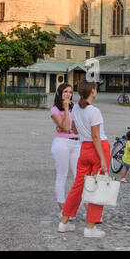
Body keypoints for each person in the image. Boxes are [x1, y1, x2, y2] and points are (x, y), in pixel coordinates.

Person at [60, 79, 111, 238]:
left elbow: (74, 129)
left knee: (78, 185)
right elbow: (96, 136)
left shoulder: (76, 110)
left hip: (84, 149)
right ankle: (90, 227)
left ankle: (64, 222)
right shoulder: (94, 111)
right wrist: (102, 158)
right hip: (98, 148)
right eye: (95, 89)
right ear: (92, 91)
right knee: (98, 188)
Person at [48, 83, 81, 213]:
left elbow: (77, 127)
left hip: (76, 144)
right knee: (62, 175)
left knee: (79, 176)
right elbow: (67, 126)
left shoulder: (76, 107)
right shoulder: (55, 110)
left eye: (70, 92)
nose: (68, 94)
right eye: (65, 91)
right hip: (61, 144)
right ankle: (63, 210)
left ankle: (84, 206)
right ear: (59, 93)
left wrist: (65, 128)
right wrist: (66, 109)